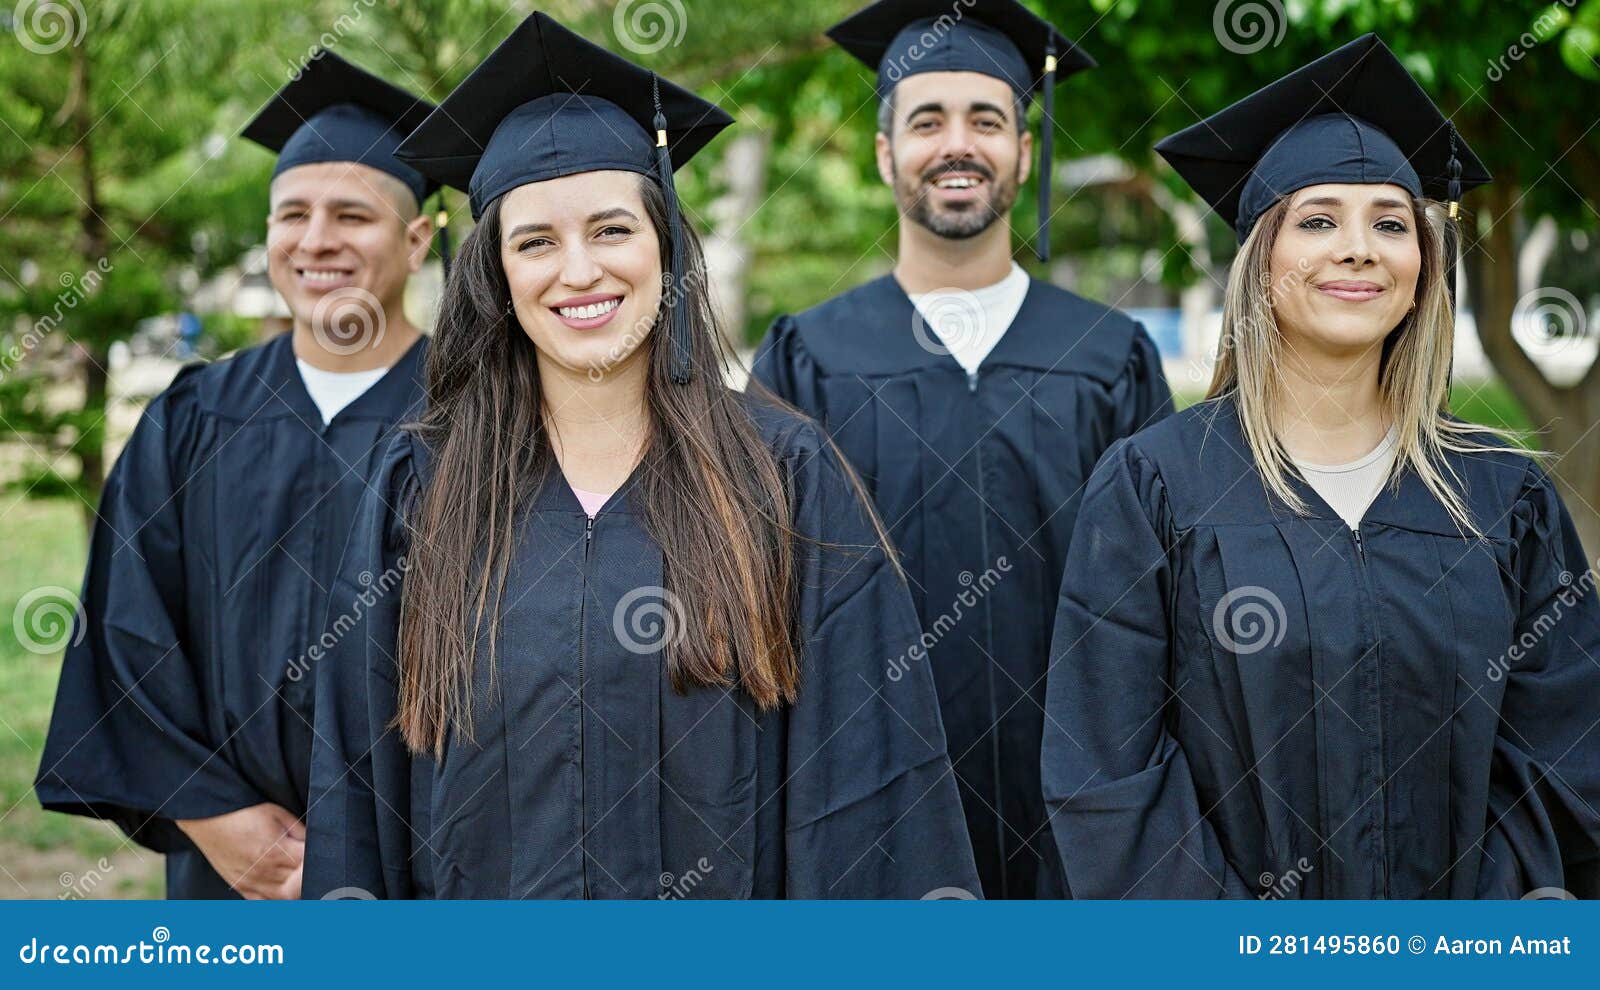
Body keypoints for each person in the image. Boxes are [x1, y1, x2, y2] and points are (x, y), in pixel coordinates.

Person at [301, 12, 978, 900]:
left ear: (665, 249)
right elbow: (361, 788)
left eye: (612, 230)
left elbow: (866, 787)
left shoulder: (784, 476)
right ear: (497, 278)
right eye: (535, 241)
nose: (578, 271)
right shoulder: (421, 487)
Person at [1042, 34, 1600, 899]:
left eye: (1389, 222)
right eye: (1317, 220)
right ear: (1261, 264)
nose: (1359, 248)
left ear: (1423, 265)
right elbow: (1111, 771)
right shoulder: (1157, 485)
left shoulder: (1501, 493)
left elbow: (1566, 744)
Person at [752, 0, 1173, 898]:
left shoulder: (1106, 355)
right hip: (864, 787)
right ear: (883, 153)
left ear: (1024, 148)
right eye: (926, 121)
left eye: (987, 120)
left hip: (1075, 795)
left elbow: (1162, 600)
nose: (958, 144)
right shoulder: (808, 355)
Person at [34, 50, 438, 900]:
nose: (317, 239)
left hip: (430, 859)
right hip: (232, 873)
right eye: (292, 214)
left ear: (416, 240)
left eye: (352, 216)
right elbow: (129, 629)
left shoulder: (477, 421)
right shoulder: (192, 420)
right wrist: (211, 815)